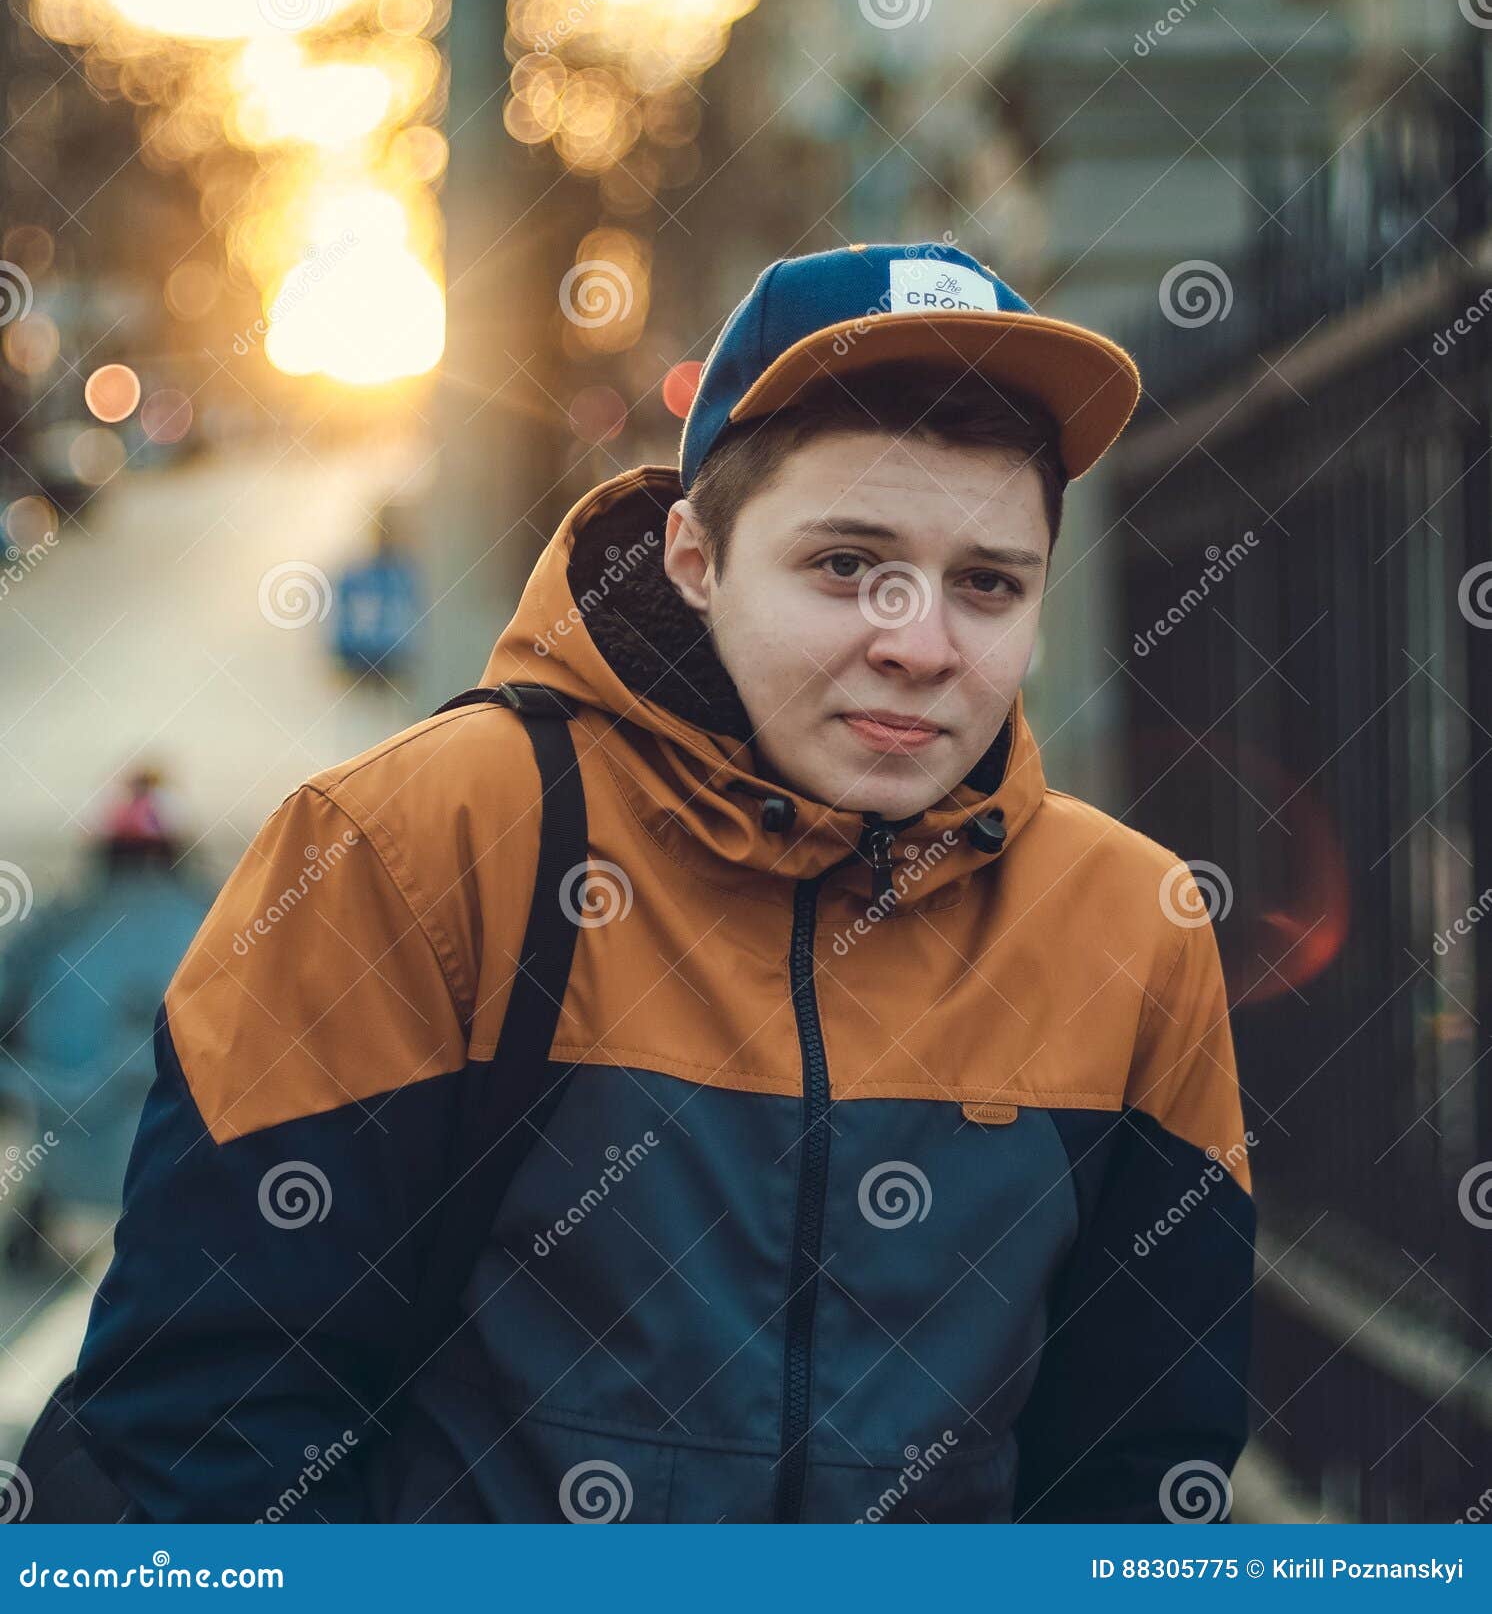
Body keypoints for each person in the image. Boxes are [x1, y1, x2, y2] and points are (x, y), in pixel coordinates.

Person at [67, 242, 1254, 1524]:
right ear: (693, 556)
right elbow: (205, 1435)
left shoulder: (1131, 922)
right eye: (847, 564)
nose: (918, 643)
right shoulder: (409, 841)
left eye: (986, 583)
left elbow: (1133, 1477)